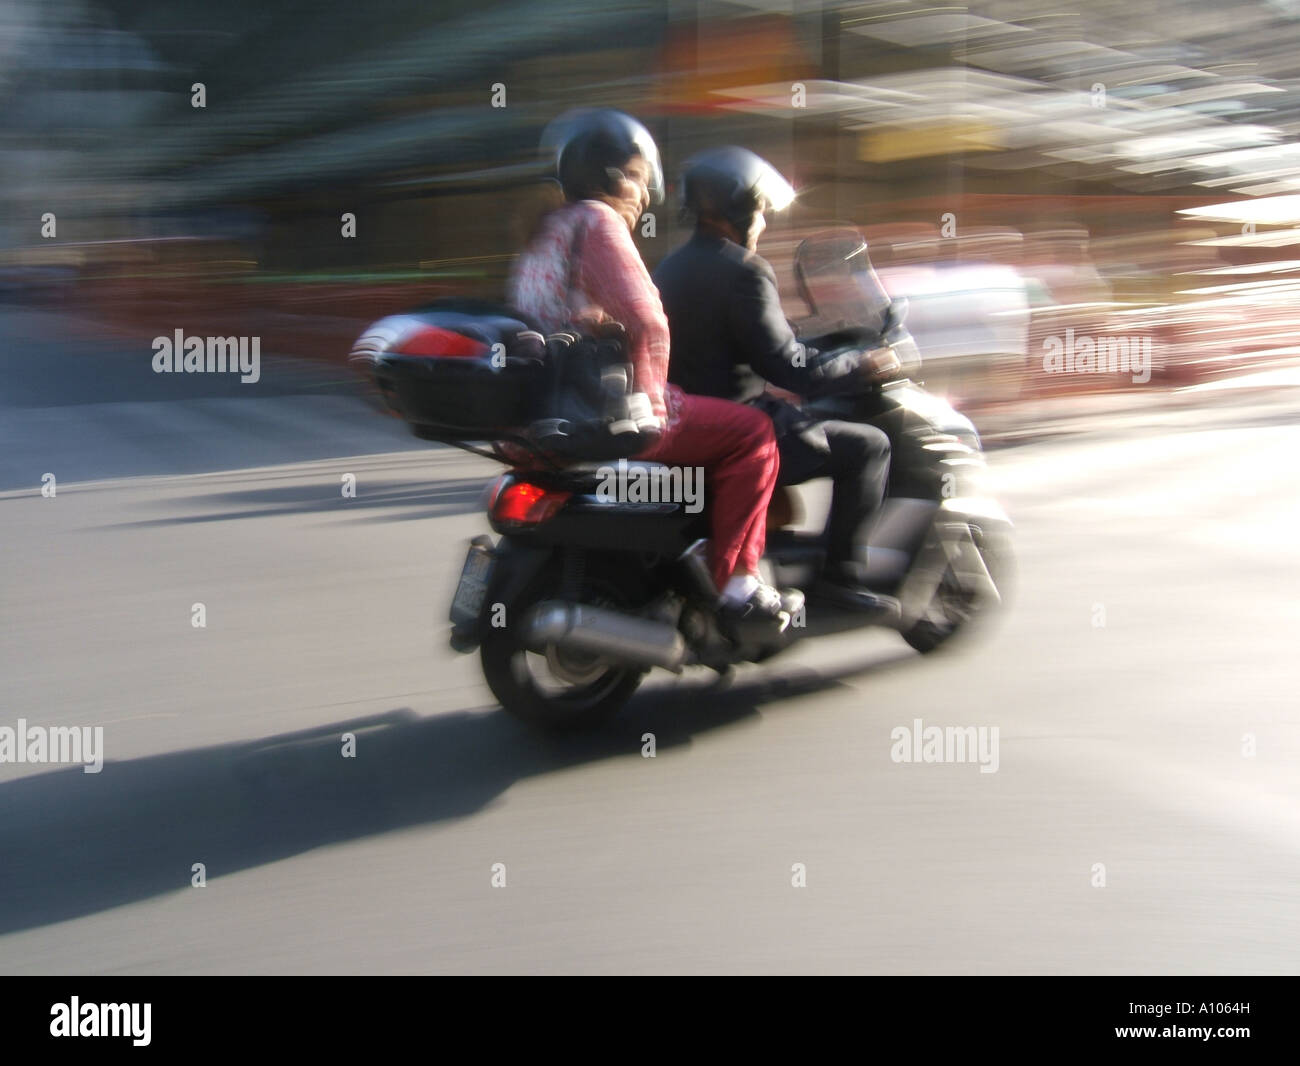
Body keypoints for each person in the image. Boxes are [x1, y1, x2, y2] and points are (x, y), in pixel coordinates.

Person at [508, 111, 800, 636]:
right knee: (753, 433)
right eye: (641, 179)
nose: (645, 196)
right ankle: (738, 583)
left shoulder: (549, 228)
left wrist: (599, 324)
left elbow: (551, 316)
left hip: (552, 410)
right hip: (604, 409)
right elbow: (646, 318)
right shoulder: (597, 222)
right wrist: (655, 398)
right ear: (613, 177)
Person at [653, 146, 900, 615]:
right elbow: (790, 368)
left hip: (685, 422)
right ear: (740, 209)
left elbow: (741, 340)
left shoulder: (671, 267)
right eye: (761, 211)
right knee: (869, 446)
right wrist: (862, 365)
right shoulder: (744, 270)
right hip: (735, 427)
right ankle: (838, 579)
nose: (763, 223)